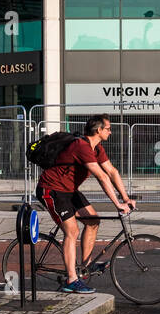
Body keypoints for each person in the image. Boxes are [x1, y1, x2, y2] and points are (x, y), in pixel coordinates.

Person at [34, 114, 136, 293]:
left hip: (69, 190)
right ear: (98, 130)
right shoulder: (81, 146)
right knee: (72, 231)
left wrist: (126, 198)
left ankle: (86, 265)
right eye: (108, 129)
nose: (110, 132)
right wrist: (117, 204)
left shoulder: (97, 149)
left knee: (93, 221)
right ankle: (71, 280)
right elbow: (102, 176)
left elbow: (111, 171)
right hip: (51, 189)